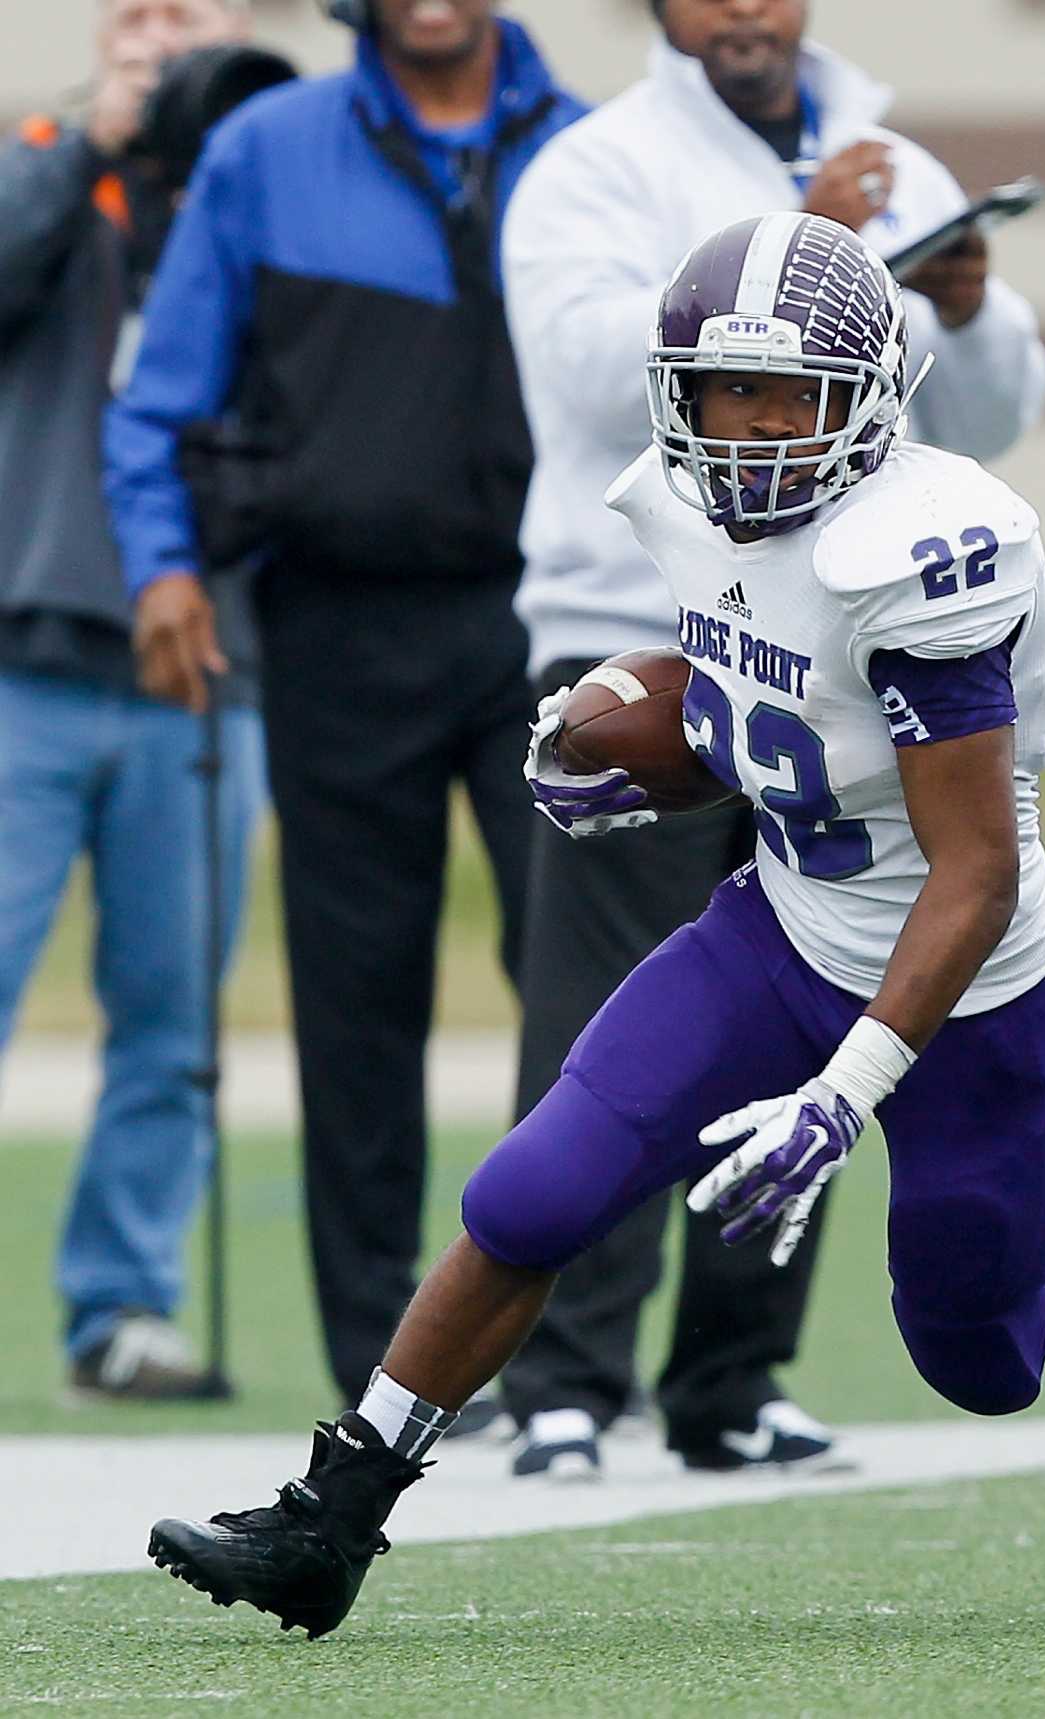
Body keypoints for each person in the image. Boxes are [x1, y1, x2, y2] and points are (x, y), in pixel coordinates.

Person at [145, 213, 1045, 1640]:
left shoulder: (923, 552)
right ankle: (330, 1520)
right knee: (532, 1195)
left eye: (793, 394)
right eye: (729, 390)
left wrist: (843, 1095)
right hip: (777, 936)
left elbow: (974, 870)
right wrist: (634, 746)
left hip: (968, 989)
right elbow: (761, 678)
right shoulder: (687, 508)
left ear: (873, 395)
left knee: (986, 1358)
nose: (756, 428)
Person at [495, 0, 1045, 1477]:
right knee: (616, 1012)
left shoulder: (892, 155)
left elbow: (984, 417)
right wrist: (795, 265)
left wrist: (967, 309)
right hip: (647, 630)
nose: (746, 5)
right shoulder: (597, 162)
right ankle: (568, 1375)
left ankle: (731, 1376)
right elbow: (580, 380)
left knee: (821, 981)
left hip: (849, 655)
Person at [102, 0, 584, 1410]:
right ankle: (389, 1369)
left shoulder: (587, 149)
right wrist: (163, 567)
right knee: (356, 1002)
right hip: (334, 620)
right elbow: (159, 396)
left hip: (549, 624)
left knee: (577, 987)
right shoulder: (264, 148)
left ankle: (567, 1361)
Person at [0, 0, 267, 1400]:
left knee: (173, 1014)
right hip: (24, 657)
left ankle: (122, 1306)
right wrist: (91, 143)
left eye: (191, 11)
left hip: (206, 671)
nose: (164, 34)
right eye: (141, 10)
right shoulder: (44, 153)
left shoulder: (269, 164)